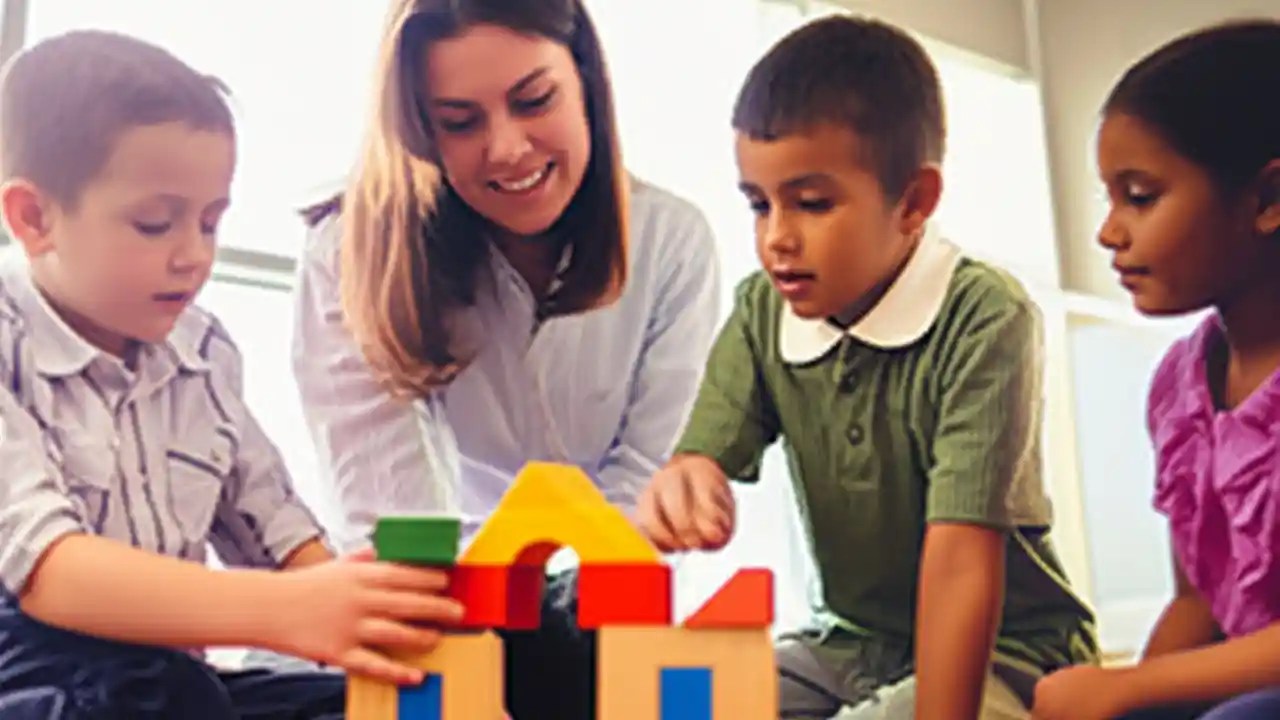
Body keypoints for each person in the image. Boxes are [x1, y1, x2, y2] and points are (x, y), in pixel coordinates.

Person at [634, 14, 1098, 720]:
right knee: (680, 699)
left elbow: (961, 561)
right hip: (852, 649)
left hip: (1006, 651)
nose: (776, 238)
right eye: (758, 205)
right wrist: (688, 479)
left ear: (913, 202)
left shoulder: (984, 316)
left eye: (812, 204)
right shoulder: (762, 311)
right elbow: (700, 455)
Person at [0, 30, 464, 719]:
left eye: (211, 223)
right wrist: (287, 611)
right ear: (35, 219)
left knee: (374, 705)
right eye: (156, 224)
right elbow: (51, 572)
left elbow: (273, 527)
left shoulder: (201, 350)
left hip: (175, 680)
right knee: (152, 694)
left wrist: (371, 623)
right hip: (32, 675)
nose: (194, 256)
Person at [289, 0, 720, 717]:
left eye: (534, 100)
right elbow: (392, 515)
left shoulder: (672, 242)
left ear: (584, 79)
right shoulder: (351, 253)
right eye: (460, 122)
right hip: (439, 604)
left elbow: (646, 483)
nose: (508, 149)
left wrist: (568, 614)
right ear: (421, 129)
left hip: (592, 601)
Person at [1031, 19, 1280, 720]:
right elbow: (1198, 601)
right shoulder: (1181, 384)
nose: (1108, 232)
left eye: (1139, 197)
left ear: (1266, 201)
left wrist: (1127, 688)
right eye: (1108, 198)